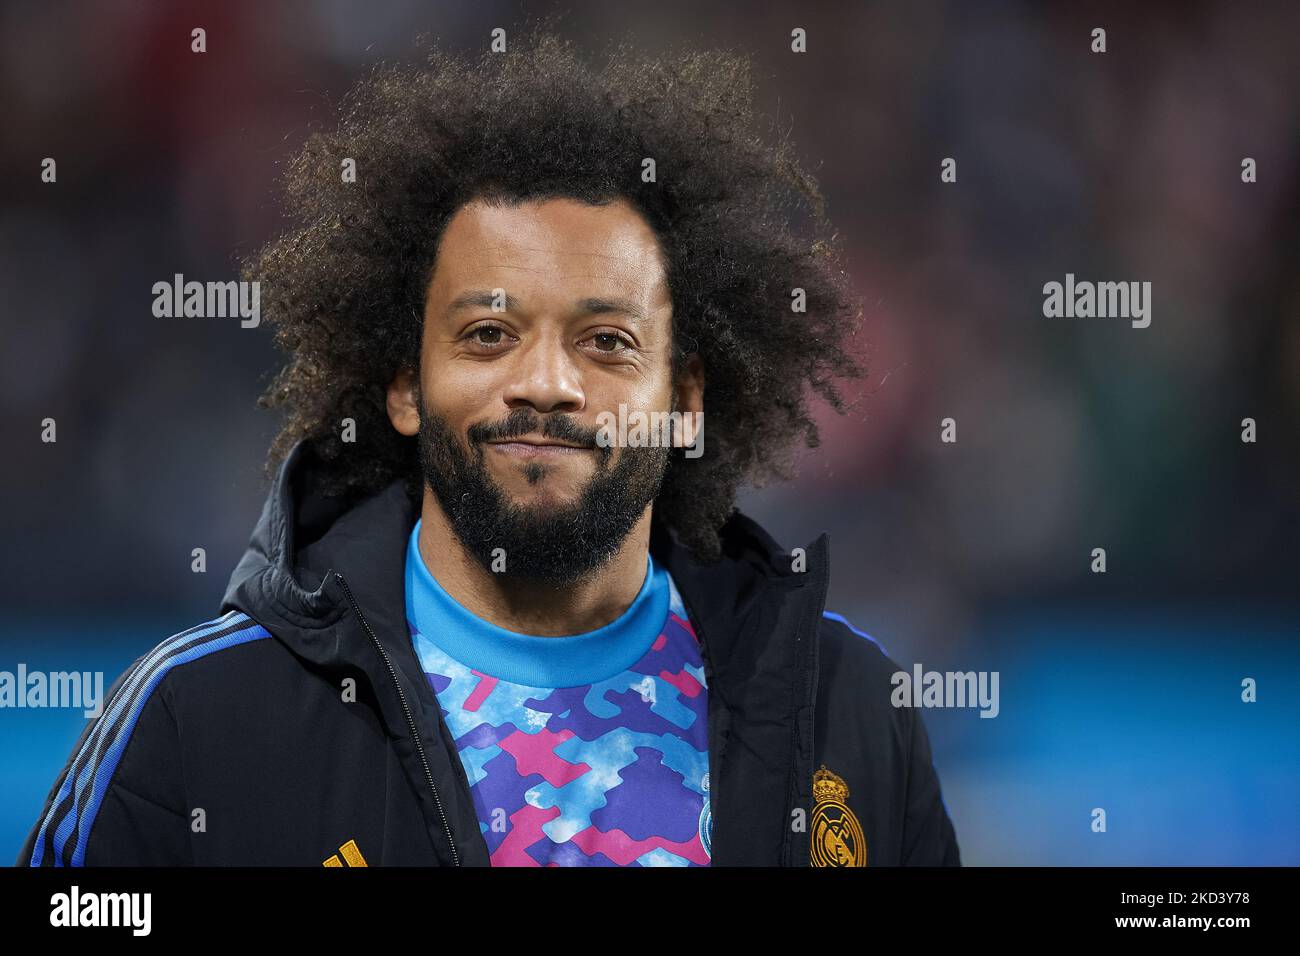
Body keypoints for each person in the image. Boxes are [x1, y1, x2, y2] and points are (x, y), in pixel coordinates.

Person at [19, 30, 959, 867]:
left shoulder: (849, 710)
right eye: (487, 335)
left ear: (684, 398)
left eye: (607, 342)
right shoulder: (200, 722)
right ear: (402, 385)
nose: (546, 383)